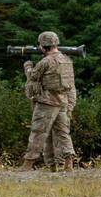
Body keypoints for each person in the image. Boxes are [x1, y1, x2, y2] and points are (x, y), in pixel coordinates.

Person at [21, 31, 77, 171]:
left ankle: (28, 164)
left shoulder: (46, 62)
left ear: (43, 45)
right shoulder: (66, 60)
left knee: (38, 132)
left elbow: (33, 77)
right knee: (63, 133)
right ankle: (68, 163)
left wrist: (27, 66)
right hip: (63, 101)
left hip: (47, 102)